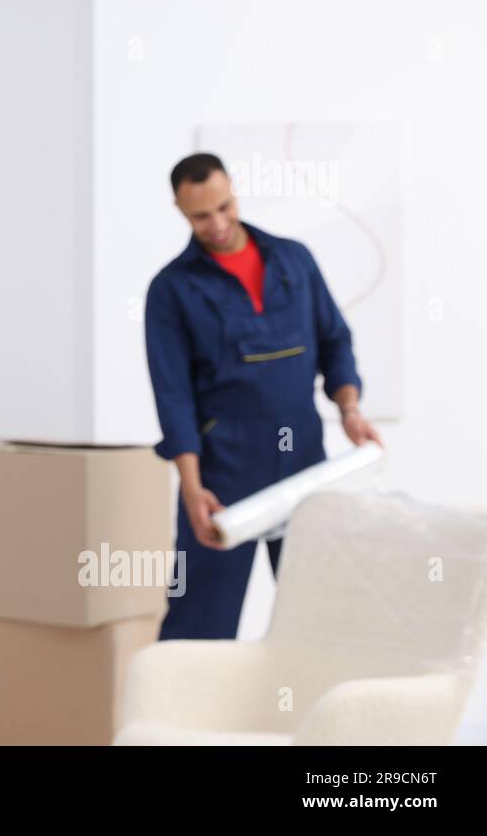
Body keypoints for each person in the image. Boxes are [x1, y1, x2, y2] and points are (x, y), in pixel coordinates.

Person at [145, 153, 380, 640]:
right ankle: (182, 719)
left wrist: (351, 411)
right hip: (222, 474)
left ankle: (315, 714)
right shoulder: (171, 290)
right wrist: (190, 486)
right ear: (179, 210)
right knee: (199, 625)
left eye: (224, 207)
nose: (217, 223)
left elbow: (335, 340)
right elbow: (174, 396)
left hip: (304, 463)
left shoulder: (294, 259)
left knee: (322, 618)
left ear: (234, 188)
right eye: (201, 216)